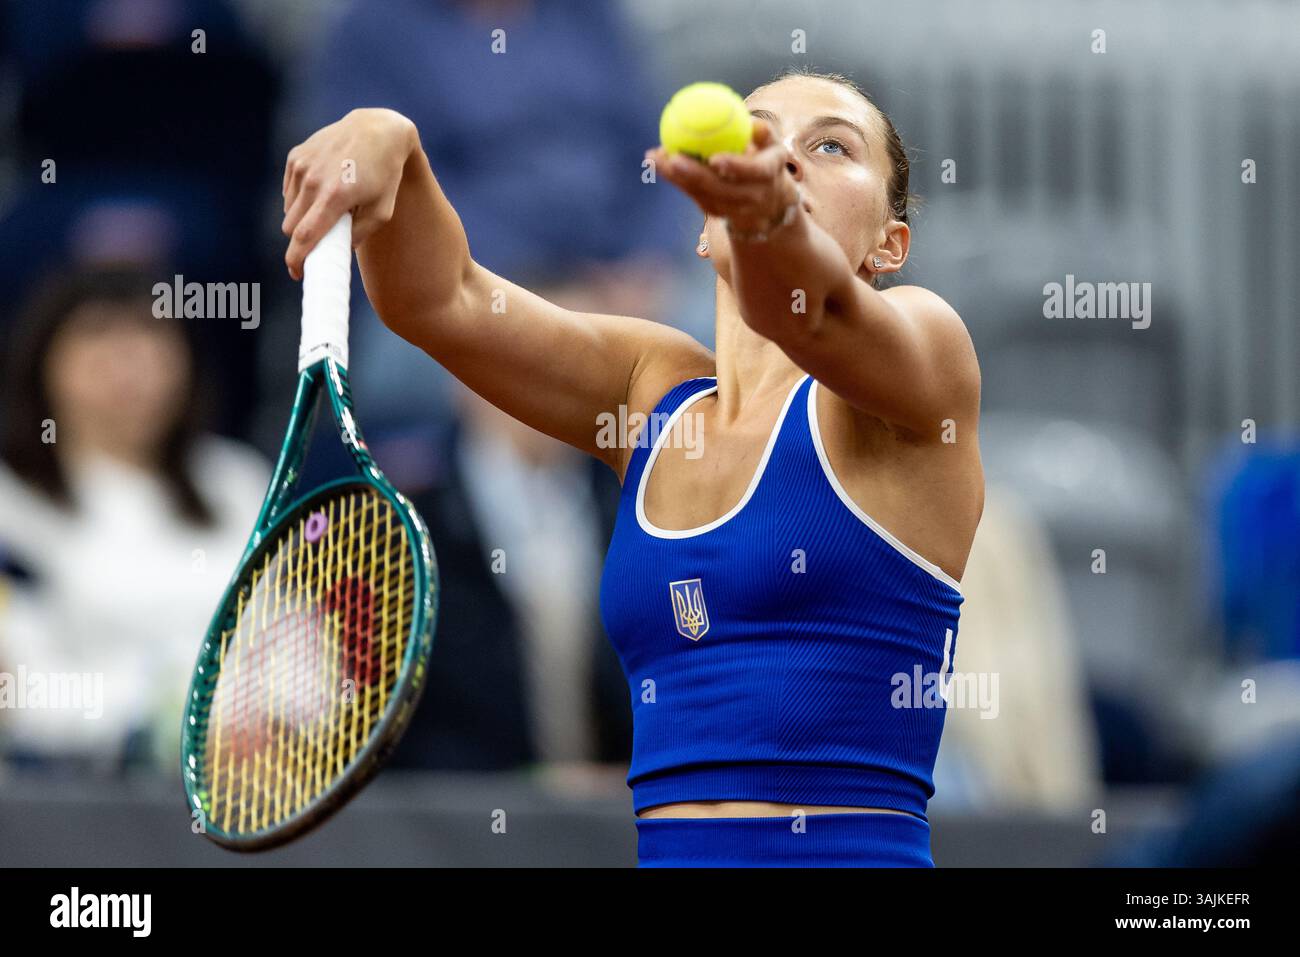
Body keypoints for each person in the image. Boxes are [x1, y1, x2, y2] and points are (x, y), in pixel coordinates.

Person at [279, 66, 984, 867]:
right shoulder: (651, 395)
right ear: (701, 226)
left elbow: (809, 310)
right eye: (758, 135)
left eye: (831, 147)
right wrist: (392, 143)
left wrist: (768, 219)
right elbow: (442, 301)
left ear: (891, 244)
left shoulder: (929, 355)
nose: (784, 155)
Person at [0, 268, 267, 772]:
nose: (128, 363)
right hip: (72, 793)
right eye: (99, 335)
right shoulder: (10, 501)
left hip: (250, 781)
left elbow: (298, 645)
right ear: (44, 361)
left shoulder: (238, 483)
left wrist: (259, 722)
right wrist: (169, 721)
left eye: (149, 334)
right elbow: (20, 690)